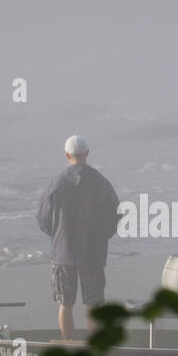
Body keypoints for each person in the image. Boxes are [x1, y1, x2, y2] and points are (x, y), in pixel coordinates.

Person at [37, 135, 120, 341]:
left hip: (64, 254)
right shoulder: (101, 182)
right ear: (87, 153)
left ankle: (68, 345)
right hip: (93, 253)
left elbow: (43, 218)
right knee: (93, 304)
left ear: (67, 155)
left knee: (65, 304)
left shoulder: (56, 183)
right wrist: (102, 237)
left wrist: (58, 237)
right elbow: (116, 214)